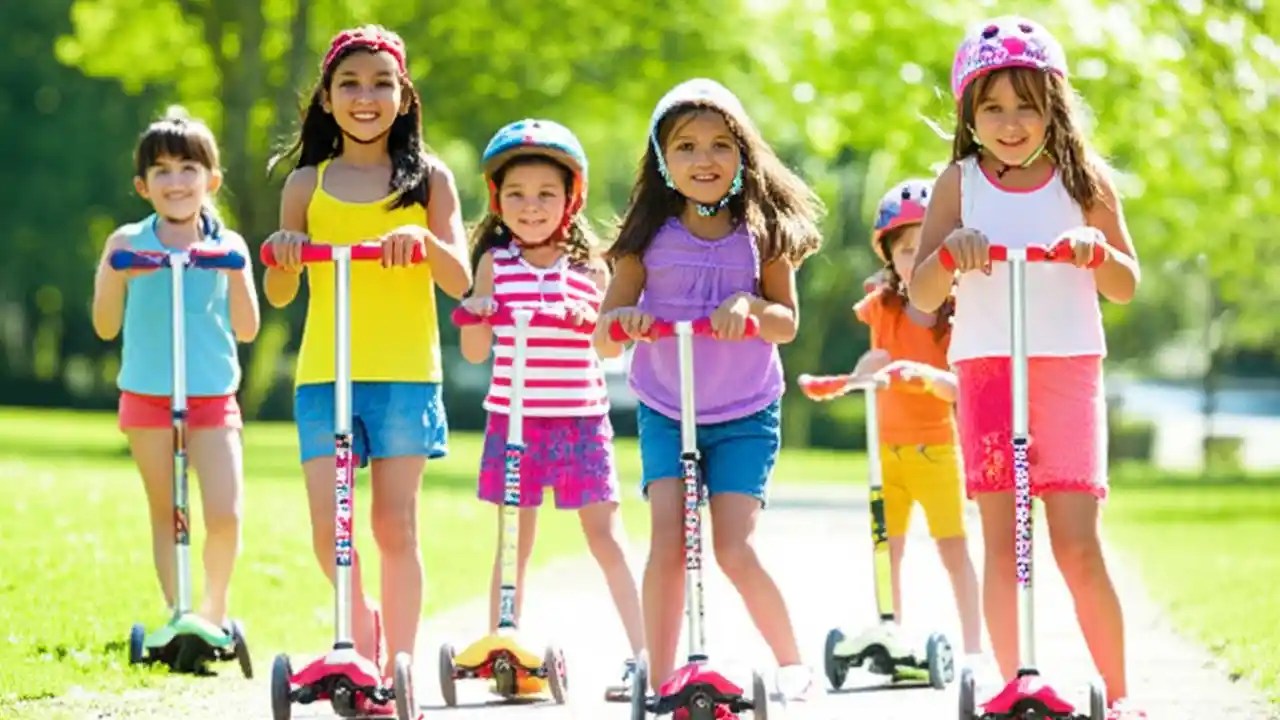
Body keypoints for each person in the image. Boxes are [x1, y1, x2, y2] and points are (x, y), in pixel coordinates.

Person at [908, 16, 1144, 718]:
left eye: (1027, 105)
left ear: (1054, 107)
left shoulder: (1083, 180)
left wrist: (1095, 251)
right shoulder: (958, 182)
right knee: (1004, 541)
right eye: (993, 107)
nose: (1011, 123)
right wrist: (951, 250)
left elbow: (1127, 283)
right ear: (970, 114)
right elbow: (922, 297)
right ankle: (1018, 688)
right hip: (986, 369)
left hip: (1066, 368)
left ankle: (1122, 693)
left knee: (1076, 543)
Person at [593, 78, 825, 705]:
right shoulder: (646, 239)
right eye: (687, 147)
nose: (705, 160)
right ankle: (660, 672)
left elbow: (786, 322)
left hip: (745, 409)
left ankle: (790, 663)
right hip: (668, 407)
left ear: (743, 154)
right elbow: (605, 337)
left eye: (720, 145)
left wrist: (749, 303)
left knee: (732, 545)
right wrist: (627, 321)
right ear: (663, 161)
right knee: (668, 540)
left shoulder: (764, 234)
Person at [261, 24, 470, 713]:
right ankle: (362, 631)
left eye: (382, 83)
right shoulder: (305, 184)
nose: (365, 97)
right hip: (325, 373)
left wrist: (422, 240)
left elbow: (461, 279)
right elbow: (282, 294)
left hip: (404, 373)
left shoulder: (427, 180)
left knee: (393, 525)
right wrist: (287, 248)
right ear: (324, 100)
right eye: (349, 84)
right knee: (331, 528)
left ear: (404, 97)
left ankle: (397, 665)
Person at [457, 118, 646, 694]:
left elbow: (611, 344)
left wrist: (591, 318)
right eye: (515, 194)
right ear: (497, 200)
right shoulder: (495, 264)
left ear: (571, 199)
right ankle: (503, 647)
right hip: (512, 419)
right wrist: (478, 306)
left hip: (578, 419)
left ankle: (646, 650)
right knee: (514, 537)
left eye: (545, 194)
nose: (530, 207)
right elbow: (472, 351)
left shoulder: (590, 268)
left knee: (604, 535)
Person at [92, 107, 261, 636]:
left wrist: (233, 268)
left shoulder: (227, 246)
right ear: (143, 186)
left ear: (211, 180)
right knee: (168, 511)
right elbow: (103, 326)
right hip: (147, 395)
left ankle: (212, 610)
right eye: (161, 171)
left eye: (188, 168)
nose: (176, 181)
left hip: (211, 396)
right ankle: (178, 614)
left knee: (225, 512)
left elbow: (249, 327)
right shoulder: (126, 243)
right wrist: (115, 269)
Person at [847, 179, 984, 666]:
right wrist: (864, 370)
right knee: (888, 551)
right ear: (889, 257)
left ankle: (973, 647)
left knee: (953, 550)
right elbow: (876, 355)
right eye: (907, 250)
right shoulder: (882, 308)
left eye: (928, 247)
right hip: (886, 453)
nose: (917, 258)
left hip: (937, 453)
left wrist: (928, 375)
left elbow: (962, 390)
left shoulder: (960, 313)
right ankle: (892, 633)